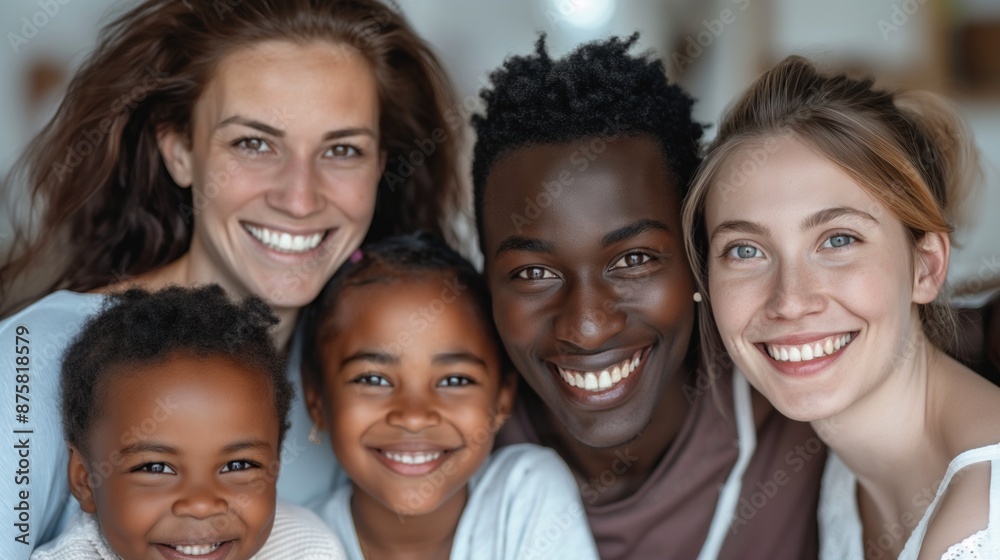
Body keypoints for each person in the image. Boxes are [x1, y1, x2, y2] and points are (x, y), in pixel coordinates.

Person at [0, 1, 461, 557]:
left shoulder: (368, 379)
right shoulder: (36, 356)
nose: (299, 198)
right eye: (253, 143)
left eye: (342, 150)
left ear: (381, 167)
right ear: (180, 153)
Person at [473, 35, 825, 560]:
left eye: (634, 260)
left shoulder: (803, 389)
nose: (588, 326)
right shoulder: (450, 445)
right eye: (533, 272)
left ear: (697, 257)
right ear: (486, 284)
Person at [682, 55, 1000, 559]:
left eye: (838, 240)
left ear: (926, 267)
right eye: (745, 250)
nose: (790, 301)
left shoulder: (986, 519)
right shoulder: (843, 475)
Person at [300, 232, 599, 560]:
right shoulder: (295, 545)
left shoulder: (524, 493)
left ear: (502, 398)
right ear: (316, 398)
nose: (414, 417)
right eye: (373, 379)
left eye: (454, 380)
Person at [31, 286, 346, 560]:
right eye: (155, 468)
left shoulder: (308, 549)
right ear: (85, 479)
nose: (201, 504)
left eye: (238, 465)